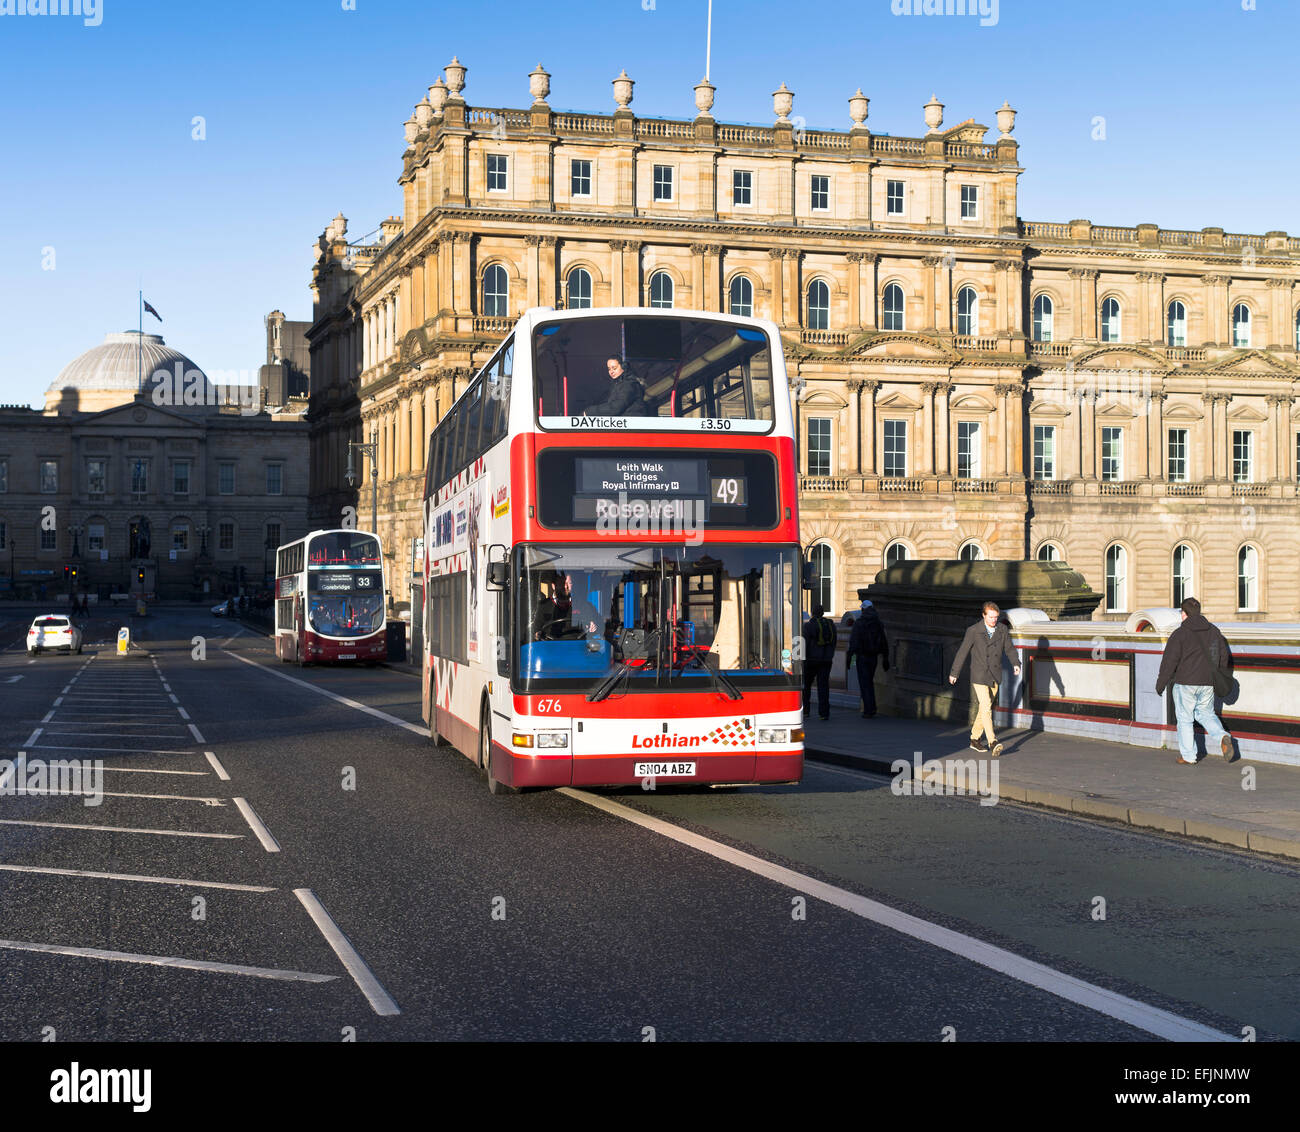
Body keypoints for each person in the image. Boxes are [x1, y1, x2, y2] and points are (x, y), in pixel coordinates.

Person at [1155, 596, 1235, 765]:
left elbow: (1169, 661)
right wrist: (1217, 675)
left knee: (1185, 719)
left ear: (1184, 614)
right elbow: (1223, 656)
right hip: (1208, 682)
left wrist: (1161, 683)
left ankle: (1189, 756)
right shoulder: (1214, 631)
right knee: (1206, 713)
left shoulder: (1180, 634)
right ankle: (1223, 736)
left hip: (1186, 682)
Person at [948, 601, 1021, 758]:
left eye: (996, 617)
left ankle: (974, 739)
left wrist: (1016, 663)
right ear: (983, 615)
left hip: (994, 675)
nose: (994, 620)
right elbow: (962, 652)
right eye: (991, 617)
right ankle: (993, 741)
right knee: (986, 706)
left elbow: (1009, 648)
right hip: (979, 675)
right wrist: (954, 672)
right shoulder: (973, 631)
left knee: (984, 709)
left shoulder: (1002, 630)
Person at [847, 599, 889, 718]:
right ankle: (871, 707)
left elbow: (853, 642)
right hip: (874, 657)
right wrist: (885, 657)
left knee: (864, 683)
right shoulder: (878, 623)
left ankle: (869, 709)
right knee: (869, 681)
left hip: (862, 656)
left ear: (863, 609)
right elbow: (884, 641)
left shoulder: (859, 623)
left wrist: (849, 657)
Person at [801, 603, 837, 721]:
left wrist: (802, 659)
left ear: (812, 612)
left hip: (811, 660)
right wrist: (829, 655)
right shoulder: (831, 625)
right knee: (823, 686)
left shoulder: (808, 626)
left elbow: (804, 643)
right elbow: (834, 642)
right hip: (826, 660)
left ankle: (806, 711)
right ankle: (824, 713)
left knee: (807, 686)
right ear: (822, 613)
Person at [582, 357, 648, 417]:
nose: (611, 372)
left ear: (624, 367)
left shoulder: (629, 384)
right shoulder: (619, 385)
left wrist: (590, 411)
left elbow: (616, 407)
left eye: (614, 368)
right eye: (609, 369)